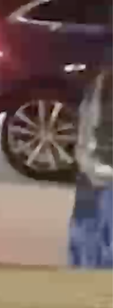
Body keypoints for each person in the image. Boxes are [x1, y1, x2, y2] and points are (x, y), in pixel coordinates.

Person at [69, 69, 113, 269]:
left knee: (88, 251)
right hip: (100, 179)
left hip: (94, 177)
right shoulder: (103, 82)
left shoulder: (101, 81)